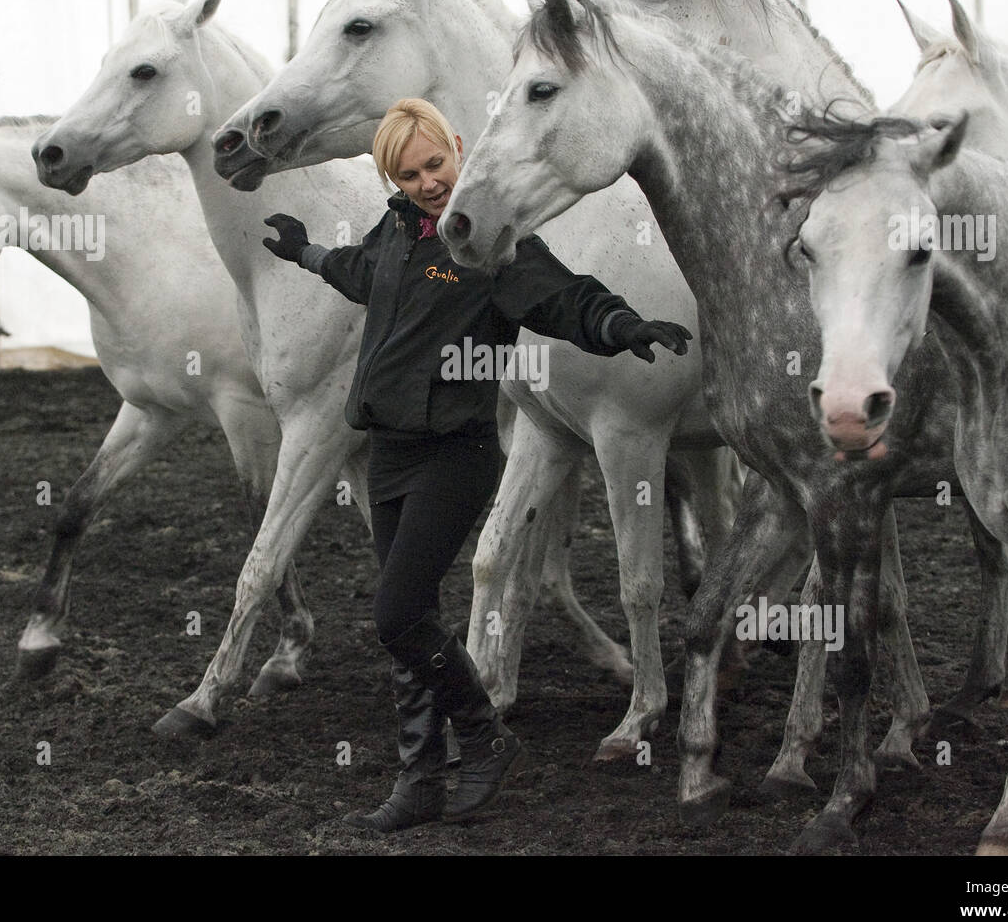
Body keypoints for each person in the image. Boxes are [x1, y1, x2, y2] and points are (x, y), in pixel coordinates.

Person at [261, 98, 690, 831]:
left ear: (459, 149)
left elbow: (562, 297)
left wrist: (619, 324)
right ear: (390, 180)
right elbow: (360, 272)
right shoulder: (395, 234)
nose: (429, 181)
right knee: (413, 621)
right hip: (391, 453)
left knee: (395, 616)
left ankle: (487, 740)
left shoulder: (487, 243)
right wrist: (304, 252)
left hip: (453, 457)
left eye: (436, 164)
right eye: (410, 173)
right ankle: (419, 780)